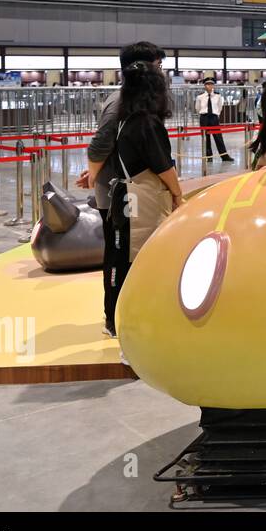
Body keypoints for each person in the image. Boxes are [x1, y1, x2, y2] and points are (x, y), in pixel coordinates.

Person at [75, 41, 165, 338]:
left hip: (128, 191)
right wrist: (94, 175)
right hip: (120, 194)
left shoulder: (135, 101)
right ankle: (114, 318)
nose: (161, 72)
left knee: (129, 255)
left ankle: (128, 312)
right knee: (118, 256)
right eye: (158, 65)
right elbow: (101, 143)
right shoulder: (119, 102)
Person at [87, 58, 183, 336]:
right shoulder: (147, 123)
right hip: (140, 203)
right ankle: (125, 319)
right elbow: (164, 166)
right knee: (134, 259)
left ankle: (115, 316)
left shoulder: (126, 120)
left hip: (123, 199)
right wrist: (178, 195)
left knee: (119, 258)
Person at [194, 77, 234, 164]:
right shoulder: (200, 97)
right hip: (204, 117)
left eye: (211, 84)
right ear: (204, 86)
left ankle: (224, 156)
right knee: (206, 138)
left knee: (218, 137)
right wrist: (202, 115)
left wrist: (216, 115)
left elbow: (220, 107)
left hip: (214, 117)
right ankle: (209, 156)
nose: (209, 86)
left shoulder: (218, 96)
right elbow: (197, 108)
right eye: (207, 84)